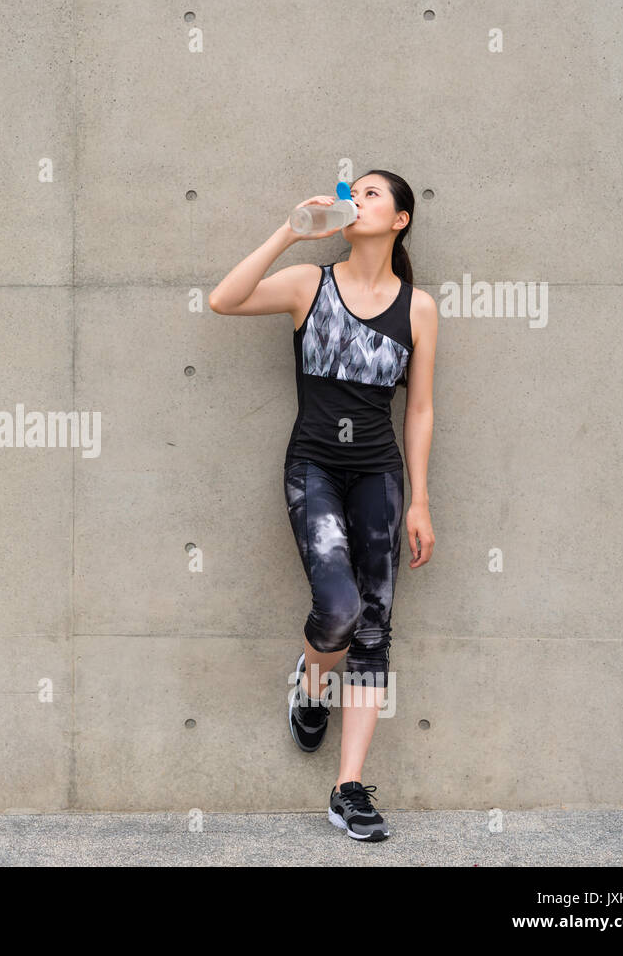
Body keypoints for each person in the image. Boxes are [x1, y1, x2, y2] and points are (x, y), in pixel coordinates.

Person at [207, 170, 438, 841]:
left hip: (379, 476)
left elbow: (419, 408)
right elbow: (225, 299)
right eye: (354, 192)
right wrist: (292, 228)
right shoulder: (311, 283)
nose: (358, 200)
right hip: (314, 466)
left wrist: (420, 498)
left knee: (373, 629)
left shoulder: (417, 307)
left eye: (372, 194)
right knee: (337, 609)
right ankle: (310, 687)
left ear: (399, 219)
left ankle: (348, 788)